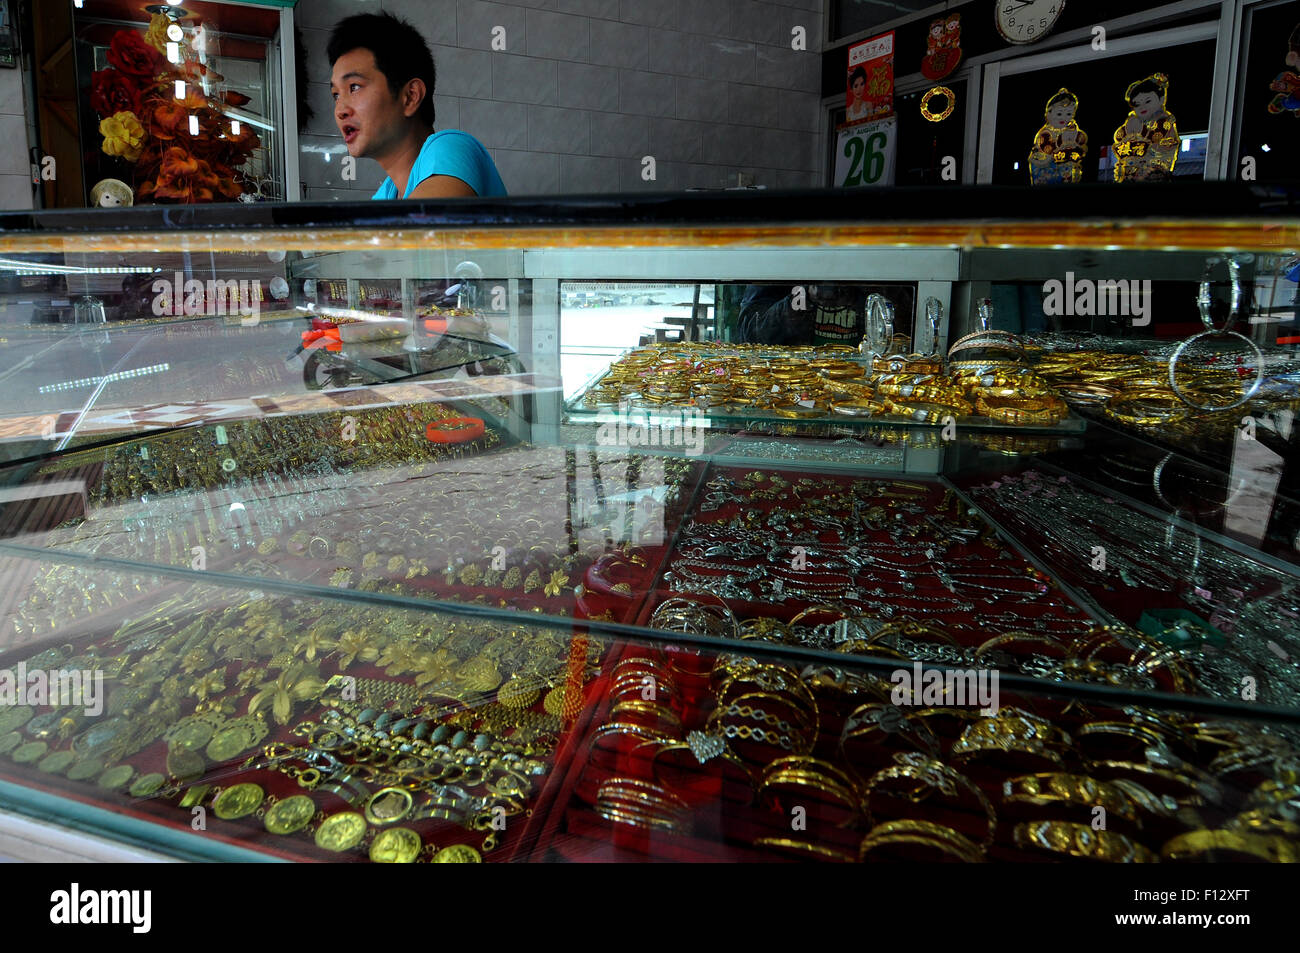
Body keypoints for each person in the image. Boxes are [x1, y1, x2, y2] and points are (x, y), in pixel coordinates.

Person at [328, 12, 507, 199]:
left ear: (410, 96)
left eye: (354, 87)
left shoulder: (451, 147)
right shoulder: (385, 196)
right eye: (336, 95)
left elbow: (422, 223)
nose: (340, 110)